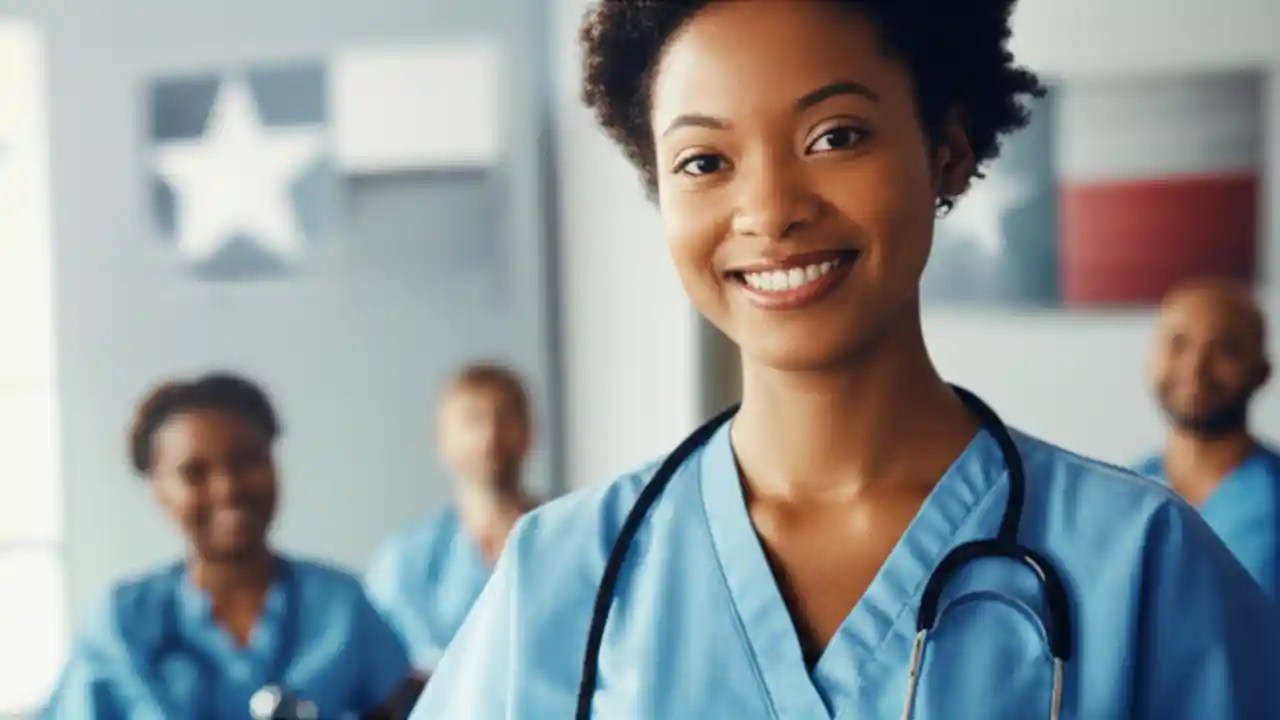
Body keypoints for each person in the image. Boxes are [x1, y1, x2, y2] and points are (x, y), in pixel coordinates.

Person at [412, 2, 1280, 718]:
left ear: (947, 148)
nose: (771, 209)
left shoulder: (1142, 564)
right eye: (704, 160)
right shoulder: (564, 575)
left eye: (835, 136)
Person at [42, 373, 423, 719]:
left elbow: (404, 709)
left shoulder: (341, 605)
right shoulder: (122, 623)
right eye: (194, 473)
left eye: (246, 461)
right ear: (159, 491)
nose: (228, 488)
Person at [365, 364, 538, 674]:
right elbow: (379, 676)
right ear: (440, 439)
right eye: (473, 419)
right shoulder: (404, 558)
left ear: (529, 432)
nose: (490, 434)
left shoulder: (571, 541)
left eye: (505, 416)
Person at [1134, 279, 1279, 601]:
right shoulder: (1125, 494)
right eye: (1178, 344)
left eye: (1226, 349)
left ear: (1262, 372)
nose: (1196, 366)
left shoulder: (1271, 497)